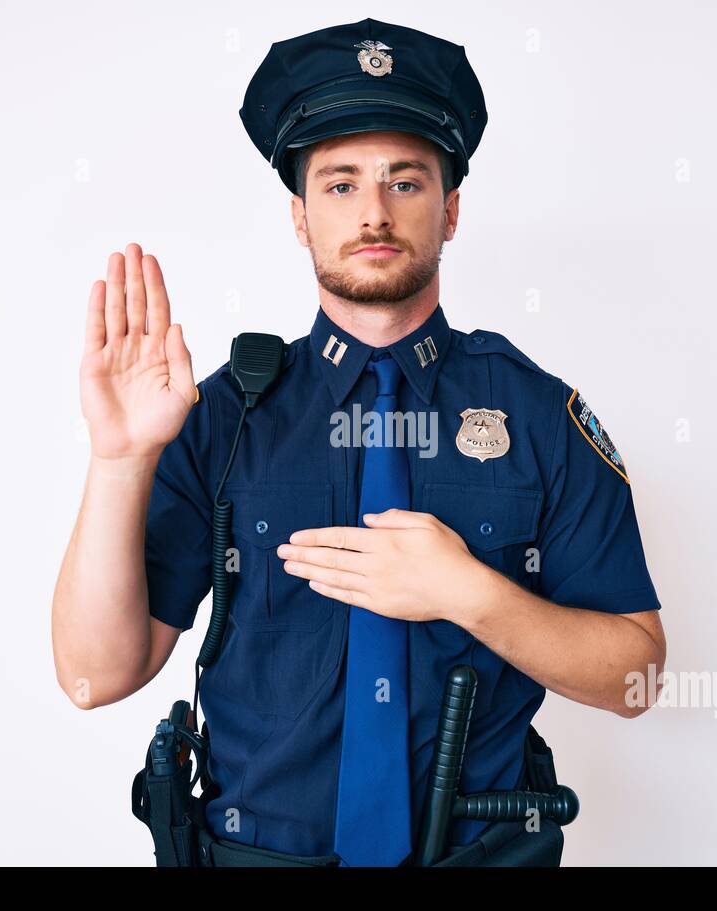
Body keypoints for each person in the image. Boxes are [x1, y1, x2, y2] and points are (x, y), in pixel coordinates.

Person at [51, 17, 667, 867]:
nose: (373, 212)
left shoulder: (535, 415)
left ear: (450, 211)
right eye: (340, 185)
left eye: (405, 182)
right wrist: (120, 461)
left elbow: (636, 679)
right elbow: (94, 677)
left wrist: (467, 592)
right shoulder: (224, 416)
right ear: (299, 216)